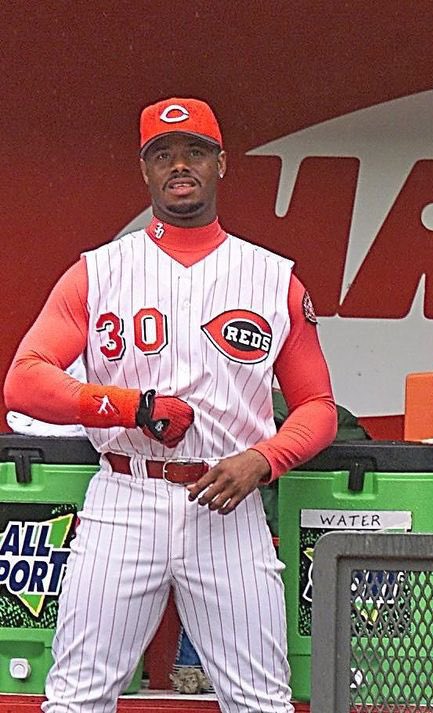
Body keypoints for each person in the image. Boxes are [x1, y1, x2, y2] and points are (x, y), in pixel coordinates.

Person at [3, 97, 338, 712]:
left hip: (226, 502)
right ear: (145, 170)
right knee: (76, 697)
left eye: (195, 153)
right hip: (125, 496)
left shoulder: (271, 277)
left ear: (221, 164)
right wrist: (129, 406)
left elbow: (318, 405)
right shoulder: (98, 271)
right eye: (163, 155)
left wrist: (264, 460)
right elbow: (23, 381)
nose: (179, 165)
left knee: (261, 701)